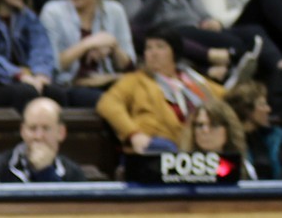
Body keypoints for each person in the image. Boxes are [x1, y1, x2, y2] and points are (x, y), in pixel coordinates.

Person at [118, 0, 254, 85]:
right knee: (235, 44)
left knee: (250, 34)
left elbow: (200, 10)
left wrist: (209, 20)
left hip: (196, 29)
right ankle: (231, 69)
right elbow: (137, 23)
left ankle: (242, 70)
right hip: (173, 32)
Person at [96, 28, 225, 153]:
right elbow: (108, 104)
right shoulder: (135, 80)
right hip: (159, 145)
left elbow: (227, 97)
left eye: (160, 47)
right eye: (149, 48)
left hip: (200, 143)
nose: (153, 53)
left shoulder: (193, 79)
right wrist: (134, 134)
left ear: (174, 52)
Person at [39, 0, 133, 89]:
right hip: (68, 84)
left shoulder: (115, 10)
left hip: (109, 81)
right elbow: (52, 64)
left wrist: (113, 47)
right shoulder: (53, 12)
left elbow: (129, 65)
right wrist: (88, 43)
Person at [0, 97, 84, 183]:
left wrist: (46, 172)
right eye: (32, 128)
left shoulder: (74, 175)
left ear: (61, 132)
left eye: (46, 128)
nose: (38, 136)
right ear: (22, 131)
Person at [226, 81, 282, 181]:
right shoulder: (228, 141)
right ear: (247, 110)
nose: (268, 109)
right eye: (263, 104)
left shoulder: (275, 137)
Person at [187, 97, 251, 174]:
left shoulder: (245, 168)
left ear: (228, 130)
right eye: (200, 125)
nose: (205, 130)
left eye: (214, 125)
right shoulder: (182, 168)